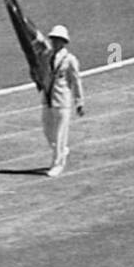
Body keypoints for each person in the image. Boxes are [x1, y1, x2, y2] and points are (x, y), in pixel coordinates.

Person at [42, 25, 85, 177]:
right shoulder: (46, 56)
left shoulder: (70, 59)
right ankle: (60, 152)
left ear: (63, 42)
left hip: (62, 100)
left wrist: (79, 101)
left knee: (60, 134)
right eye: (52, 39)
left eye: (57, 40)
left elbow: (76, 80)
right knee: (48, 131)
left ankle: (57, 164)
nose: (53, 42)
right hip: (47, 99)